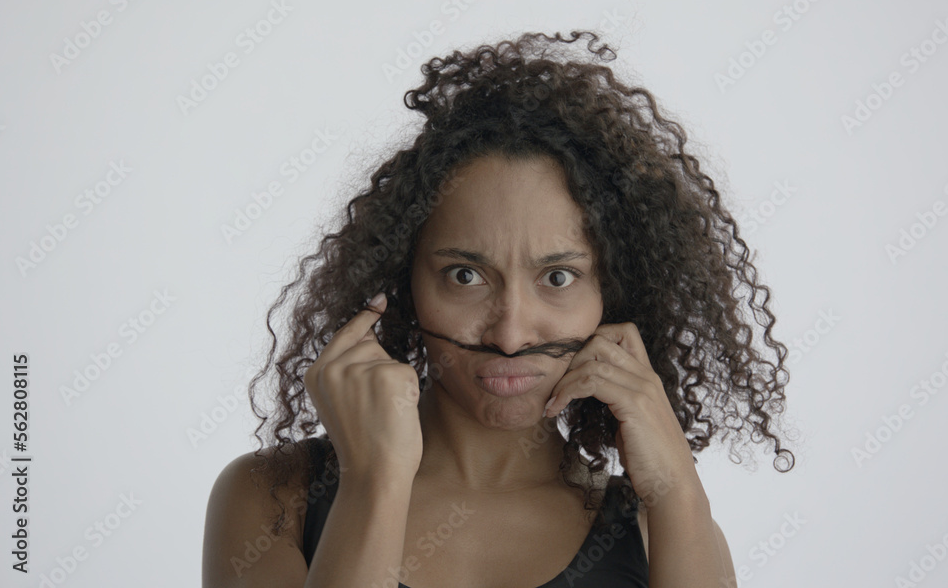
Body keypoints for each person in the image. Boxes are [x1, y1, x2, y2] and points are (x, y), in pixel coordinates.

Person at [202, 30, 796, 587]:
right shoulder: (276, 498)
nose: (510, 335)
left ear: (612, 296)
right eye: (465, 275)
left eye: (558, 277)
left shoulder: (659, 526)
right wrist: (373, 481)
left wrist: (679, 494)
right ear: (403, 283)